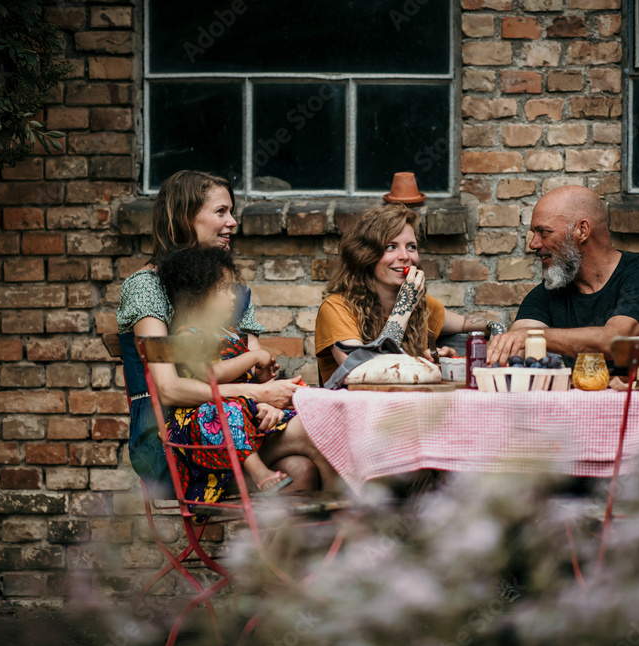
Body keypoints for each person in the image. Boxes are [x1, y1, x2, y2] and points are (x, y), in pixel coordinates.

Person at [116, 170, 333, 497]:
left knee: (300, 471)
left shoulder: (233, 292)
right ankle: (362, 533)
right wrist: (257, 395)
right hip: (170, 442)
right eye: (221, 212)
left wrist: (268, 397)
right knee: (321, 431)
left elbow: (255, 378)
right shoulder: (149, 288)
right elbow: (169, 388)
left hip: (240, 425)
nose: (233, 222)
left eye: (231, 212)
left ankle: (285, 550)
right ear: (184, 218)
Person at [486, 185, 639, 366]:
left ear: (582, 231)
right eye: (533, 233)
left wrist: (532, 336)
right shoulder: (547, 294)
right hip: (581, 403)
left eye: (544, 232)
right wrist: (506, 347)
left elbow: (614, 342)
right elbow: (516, 343)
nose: (534, 244)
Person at [156, 245, 295, 499]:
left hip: (236, 406)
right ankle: (260, 473)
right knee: (225, 411)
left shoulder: (229, 332)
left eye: (232, 288)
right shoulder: (187, 335)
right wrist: (253, 356)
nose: (233, 297)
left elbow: (242, 378)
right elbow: (211, 374)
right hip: (201, 417)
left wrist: (262, 376)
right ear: (195, 296)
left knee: (292, 403)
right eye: (223, 290)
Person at [315, 204, 507, 385]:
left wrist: (497, 329)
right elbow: (362, 371)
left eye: (411, 246)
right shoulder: (337, 308)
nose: (405, 256)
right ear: (365, 255)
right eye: (391, 246)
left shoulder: (422, 304)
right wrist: (404, 306)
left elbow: (465, 323)